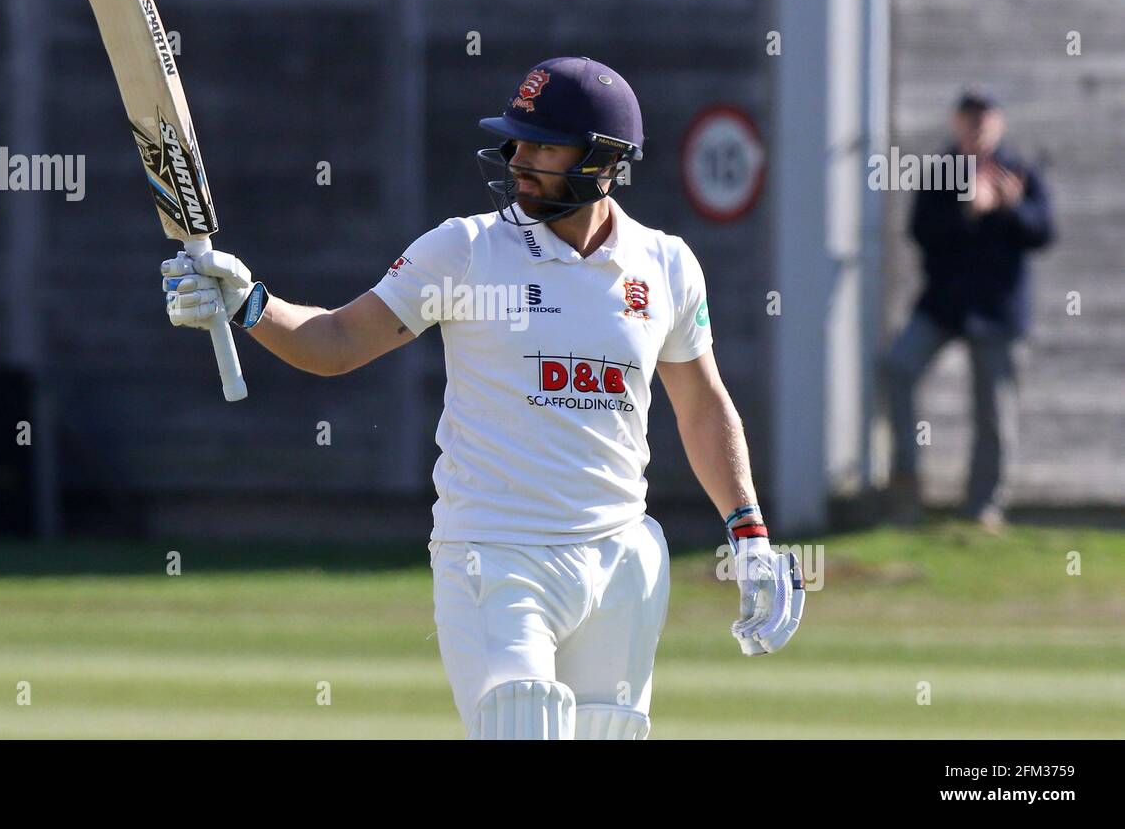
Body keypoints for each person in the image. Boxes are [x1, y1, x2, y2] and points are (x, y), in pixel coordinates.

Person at [160, 56, 803, 739]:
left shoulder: (667, 264)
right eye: (516, 140)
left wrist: (750, 535)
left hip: (622, 562)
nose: (519, 158)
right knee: (522, 726)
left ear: (604, 160)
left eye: (543, 145)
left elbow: (703, 405)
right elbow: (338, 340)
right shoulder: (466, 250)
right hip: (495, 558)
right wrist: (248, 304)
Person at [882, 92, 1055, 532]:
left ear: (999, 124)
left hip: (997, 310)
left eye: (985, 120)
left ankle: (984, 507)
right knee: (897, 367)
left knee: (995, 411)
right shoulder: (940, 172)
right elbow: (920, 231)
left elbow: (1043, 231)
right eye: (970, 120)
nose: (978, 128)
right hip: (944, 304)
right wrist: (968, 209)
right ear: (957, 123)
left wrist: (1007, 207)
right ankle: (907, 489)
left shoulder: (1018, 170)